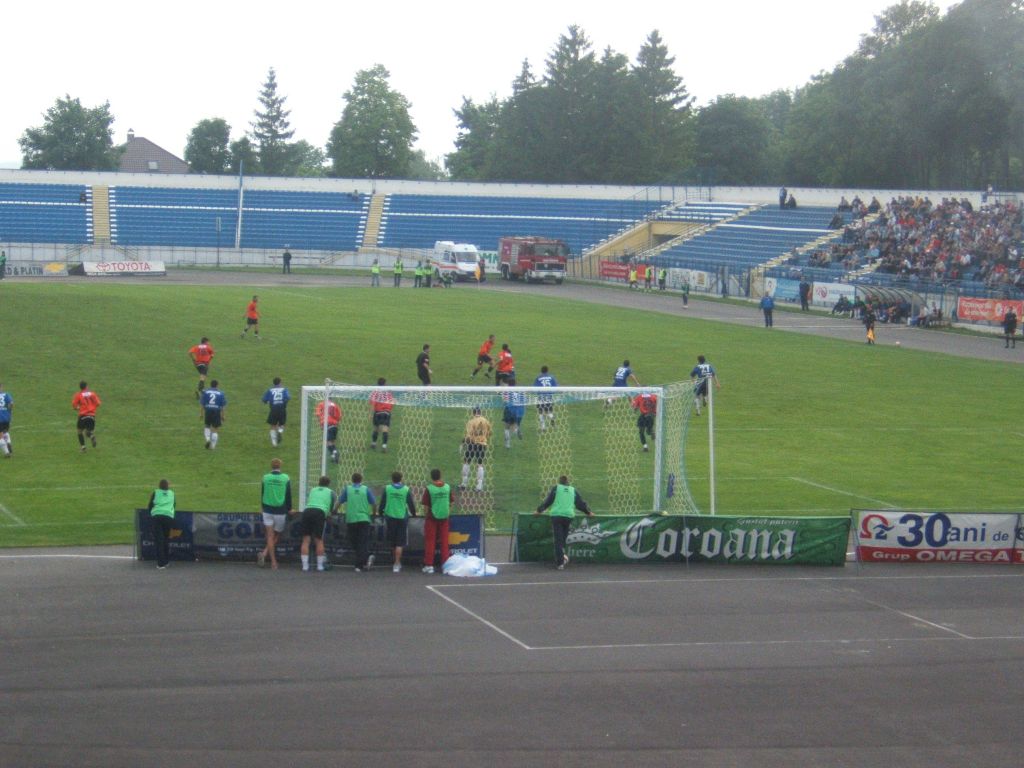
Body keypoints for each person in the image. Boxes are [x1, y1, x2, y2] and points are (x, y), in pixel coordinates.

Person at [534, 475, 593, 570]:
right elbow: (580, 504)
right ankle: (562, 557)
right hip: (568, 516)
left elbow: (548, 501)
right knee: (563, 539)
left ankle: (560, 562)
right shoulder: (573, 490)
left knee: (558, 540)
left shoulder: (556, 488)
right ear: (568, 482)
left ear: (559, 482)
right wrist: (588, 512)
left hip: (557, 516)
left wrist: (539, 510)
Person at [338, 472, 377, 572]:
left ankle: (359, 565)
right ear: (361, 480)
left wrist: (334, 510)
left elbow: (339, 501)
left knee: (356, 541)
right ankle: (366, 557)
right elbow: (374, 503)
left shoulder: (349, 489)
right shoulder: (364, 489)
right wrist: (374, 513)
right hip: (360, 519)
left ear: (352, 479)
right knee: (359, 542)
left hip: (356, 519)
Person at [258, 458, 292, 570]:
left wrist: (262, 507)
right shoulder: (285, 478)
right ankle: (271, 559)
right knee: (277, 534)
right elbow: (288, 495)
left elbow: (262, 493)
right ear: (280, 466)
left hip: (267, 509)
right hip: (280, 510)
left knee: (270, 536)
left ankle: (268, 557)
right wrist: (290, 508)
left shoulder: (265, 477)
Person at [379, 471, 416, 573]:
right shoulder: (406, 489)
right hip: (401, 517)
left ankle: (394, 560)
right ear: (401, 479)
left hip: (390, 516)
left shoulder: (387, 489)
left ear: (392, 479)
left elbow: (382, 502)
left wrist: (380, 512)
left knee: (393, 541)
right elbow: (410, 503)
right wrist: (414, 514)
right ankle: (397, 563)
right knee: (400, 541)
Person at [299, 475, 335, 572]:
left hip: (307, 511)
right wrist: (328, 515)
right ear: (328, 484)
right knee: (318, 540)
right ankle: (319, 566)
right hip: (320, 512)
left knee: (306, 540)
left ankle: (305, 566)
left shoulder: (313, 490)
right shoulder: (331, 492)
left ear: (319, 482)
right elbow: (331, 508)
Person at [421, 468, 453, 574]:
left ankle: (429, 565)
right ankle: (445, 566)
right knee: (444, 542)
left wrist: (426, 516)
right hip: (444, 517)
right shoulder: (447, 487)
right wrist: (448, 512)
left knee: (430, 542)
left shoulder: (429, 489)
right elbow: (451, 502)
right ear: (440, 475)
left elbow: (426, 506)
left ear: (431, 476)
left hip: (432, 518)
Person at [146, 479, 176, 570]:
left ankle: (161, 563)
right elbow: (174, 505)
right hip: (168, 516)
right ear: (168, 486)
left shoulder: (156, 492)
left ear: (159, 486)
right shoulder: (172, 493)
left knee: (159, 540)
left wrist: (151, 512)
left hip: (157, 516)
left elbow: (150, 505)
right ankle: (166, 561)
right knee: (166, 539)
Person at [461, 407, 492, 491]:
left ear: (473, 413)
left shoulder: (471, 422)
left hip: (472, 444)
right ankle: (479, 486)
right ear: (480, 412)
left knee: (466, 462)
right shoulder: (486, 421)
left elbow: (468, 435)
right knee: (480, 464)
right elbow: (489, 433)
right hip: (482, 444)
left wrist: (463, 442)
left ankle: (464, 484)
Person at [72, 380, 101, 452]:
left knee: (79, 431)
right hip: (92, 416)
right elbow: (98, 403)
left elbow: (74, 405)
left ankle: (83, 448)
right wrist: (92, 407)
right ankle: (91, 436)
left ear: (80, 387)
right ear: (86, 386)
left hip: (83, 415)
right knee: (88, 431)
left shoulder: (78, 395)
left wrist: (79, 408)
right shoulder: (92, 394)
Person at [261, 377, 290, 447]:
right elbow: (288, 397)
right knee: (282, 424)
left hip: (273, 409)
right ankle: (279, 432)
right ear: (280, 383)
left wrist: (268, 401)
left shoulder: (270, 390)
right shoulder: (284, 389)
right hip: (282, 409)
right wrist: (284, 402)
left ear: (273, 383)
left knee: (273, 425)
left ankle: (274, 442)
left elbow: (264, 399)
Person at [369, 378, 395, 452]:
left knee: (376, 428)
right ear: (385, 384)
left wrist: (370, 414)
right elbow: (392, 402)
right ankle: (384, 446)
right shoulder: (388, 393)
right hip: (386, 412)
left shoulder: (375, 392)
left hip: (377, 413)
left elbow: (373, 403)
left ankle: (373, 443)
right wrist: (390, 411)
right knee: (385, 429)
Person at [200, 379, 227, 449]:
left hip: (208, 410)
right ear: (217, 385)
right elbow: (223, 406)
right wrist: (223, 415)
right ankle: (213, 446)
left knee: (207, 426)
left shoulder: (206, 392)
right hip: (216, 411)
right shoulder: (221, 393)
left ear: (210, 385)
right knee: (215, 429)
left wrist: (201, 414)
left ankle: (208, 439)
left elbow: (202, 404)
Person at [315, 398, 342, 463]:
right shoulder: (335, 405)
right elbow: (339, 416)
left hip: (327, 425)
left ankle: (335, 452)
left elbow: (318, 414)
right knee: (332, 441)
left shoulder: (321, 404)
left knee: (328, 442)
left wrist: (321, 423)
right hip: (335, 426)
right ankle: (334, 456)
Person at [534, 365, 557, 431]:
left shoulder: (538, 377)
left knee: (541, 412)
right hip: (549, 397)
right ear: (547, 370)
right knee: (549, 411)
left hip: (541, 397)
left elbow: (534, 388)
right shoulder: (551, 377)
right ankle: (551, 417)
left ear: (541, 371)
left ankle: (543, 427)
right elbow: (556, 387)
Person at [0, 384, 13, 458]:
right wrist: (9, 411)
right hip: (6, 418)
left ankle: (7, 452)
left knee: (0, 436)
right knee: (5, 432)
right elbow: (11, 403)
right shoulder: (6, 395)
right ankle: (8, 442)